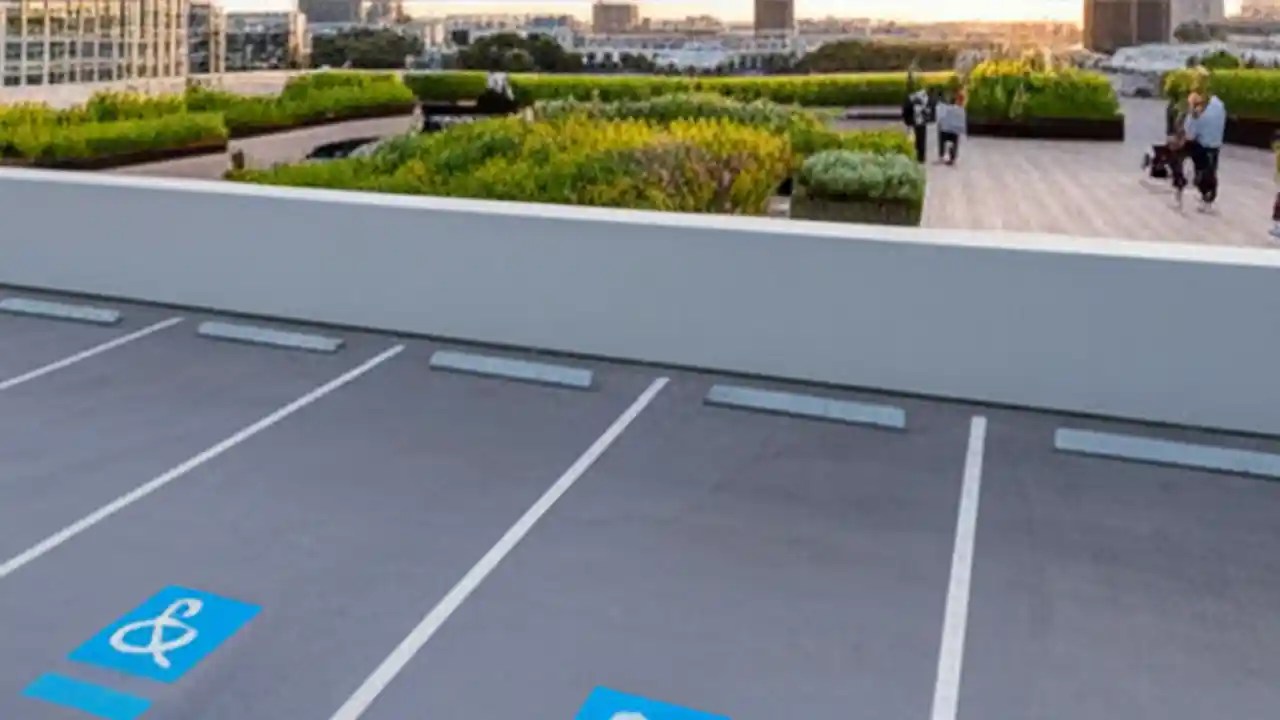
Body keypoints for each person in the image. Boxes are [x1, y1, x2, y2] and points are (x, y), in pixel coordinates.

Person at [1184, 91, 1226, 212]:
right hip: (1216, 144)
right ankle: (1209, 197)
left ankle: (1205, 196)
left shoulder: (1197, 116)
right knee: (1212, 171)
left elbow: (1190, 135)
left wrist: (1191, 114)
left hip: (1202, 146)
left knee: (1202, 172)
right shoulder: (1218, 105)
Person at [934, 90, 966, 166]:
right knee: (952, 140)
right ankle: (950, 156)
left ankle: (947, 156)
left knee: (948, 139)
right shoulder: (958, 107)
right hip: (950, 128)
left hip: (949, 128)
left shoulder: (958, 107)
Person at [901, 87, 931, 164]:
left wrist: (908, 122)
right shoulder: (922, 99)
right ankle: (921, 157)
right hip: (919, 122)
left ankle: (918, 156)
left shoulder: (910, 99)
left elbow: (905, 113)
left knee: (916, 139)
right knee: (920, 139)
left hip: (915, 122)